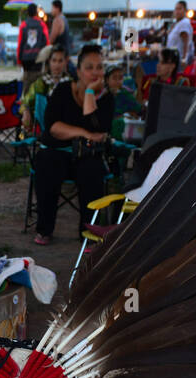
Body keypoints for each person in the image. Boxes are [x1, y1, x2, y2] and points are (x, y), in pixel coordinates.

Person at [32, 44, 113, 245]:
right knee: (47, 163)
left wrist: (88, 94)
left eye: (99, 67)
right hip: (57, 151)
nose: (95, 72)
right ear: (78, 71)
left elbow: (100, 129)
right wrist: (84, 132)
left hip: (86, 155)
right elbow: (53, 128)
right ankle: (44, 229)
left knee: (93, 170)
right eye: (89, 67)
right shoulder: (61, 90)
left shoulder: (107, 98)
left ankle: (88, 231)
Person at [21, 44, 69, 133]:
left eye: (60, 61)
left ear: (66, 62)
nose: (57, 65)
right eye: (54, 60)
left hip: (68, 128)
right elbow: (26, 100)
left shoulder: (71, 83)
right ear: (49, 62)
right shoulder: (42, 82)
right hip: (46, 128)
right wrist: (26, 111)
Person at [18, 3, 49, 93]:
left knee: (27, 79)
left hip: (25, 58)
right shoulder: (42, 24)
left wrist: (19, 59)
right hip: (38, 57)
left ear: (27, 13)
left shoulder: (23, 25)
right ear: (36, 12)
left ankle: (26, 99)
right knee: (37, 79)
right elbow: (46, 41)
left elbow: (20, 43)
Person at [167, 2, 194, 67]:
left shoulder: (184, 23)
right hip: (173, 59)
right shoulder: (178, 23)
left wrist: (184, 59)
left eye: (180, 9)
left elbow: (186, 43)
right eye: (176, 9)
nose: (177, 11)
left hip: (179, 60)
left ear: (185, 10)